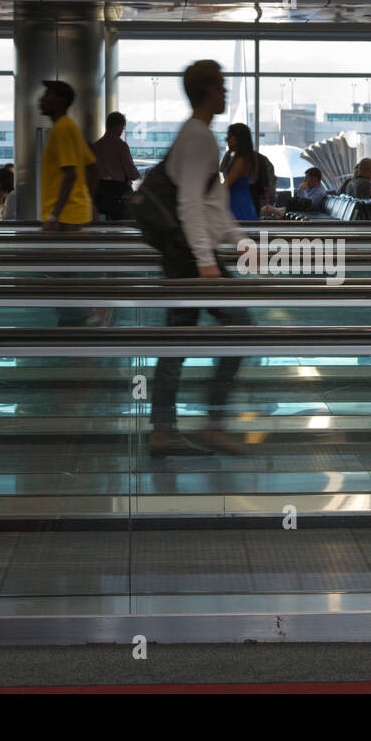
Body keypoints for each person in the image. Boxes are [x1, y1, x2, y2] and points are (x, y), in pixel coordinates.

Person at [149, 61, 255, 457]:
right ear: (209, 91)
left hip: (192, 256)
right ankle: (202, 424)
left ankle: (169, 427)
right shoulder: (197, 138)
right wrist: (206, 262)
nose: (226, 92)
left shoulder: (198, 136)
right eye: (222, 86)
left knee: (178, 337)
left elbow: (212, 207)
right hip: (190, 259)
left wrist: (240, 239)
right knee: (235, 327)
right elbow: (190, 204)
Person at [38, 80, 96, 232]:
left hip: (65, 218)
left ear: (61, 101)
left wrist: (54, 217)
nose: (41, 99)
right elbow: (92, 166)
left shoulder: (62, 129)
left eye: (48, 95)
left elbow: (70, 174)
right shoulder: (70, 127)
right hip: (72, 215)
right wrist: (89, 200)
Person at [87, 111, 139, 220]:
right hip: (118, 193)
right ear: (118, 126)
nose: (122, 131)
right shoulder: (121, 146)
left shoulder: (96, 146)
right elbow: (132, 173)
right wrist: (134, 174)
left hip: (100, 192)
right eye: (122, 127)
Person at [221, 123, 259, 221]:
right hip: (239, 201)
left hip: (237, 203)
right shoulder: (240, 158)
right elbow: (221, 168)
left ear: (238, 138)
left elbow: (226, 184)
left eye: (230, 137)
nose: (227, 140)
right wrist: (229, 152)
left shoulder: (240, 161)